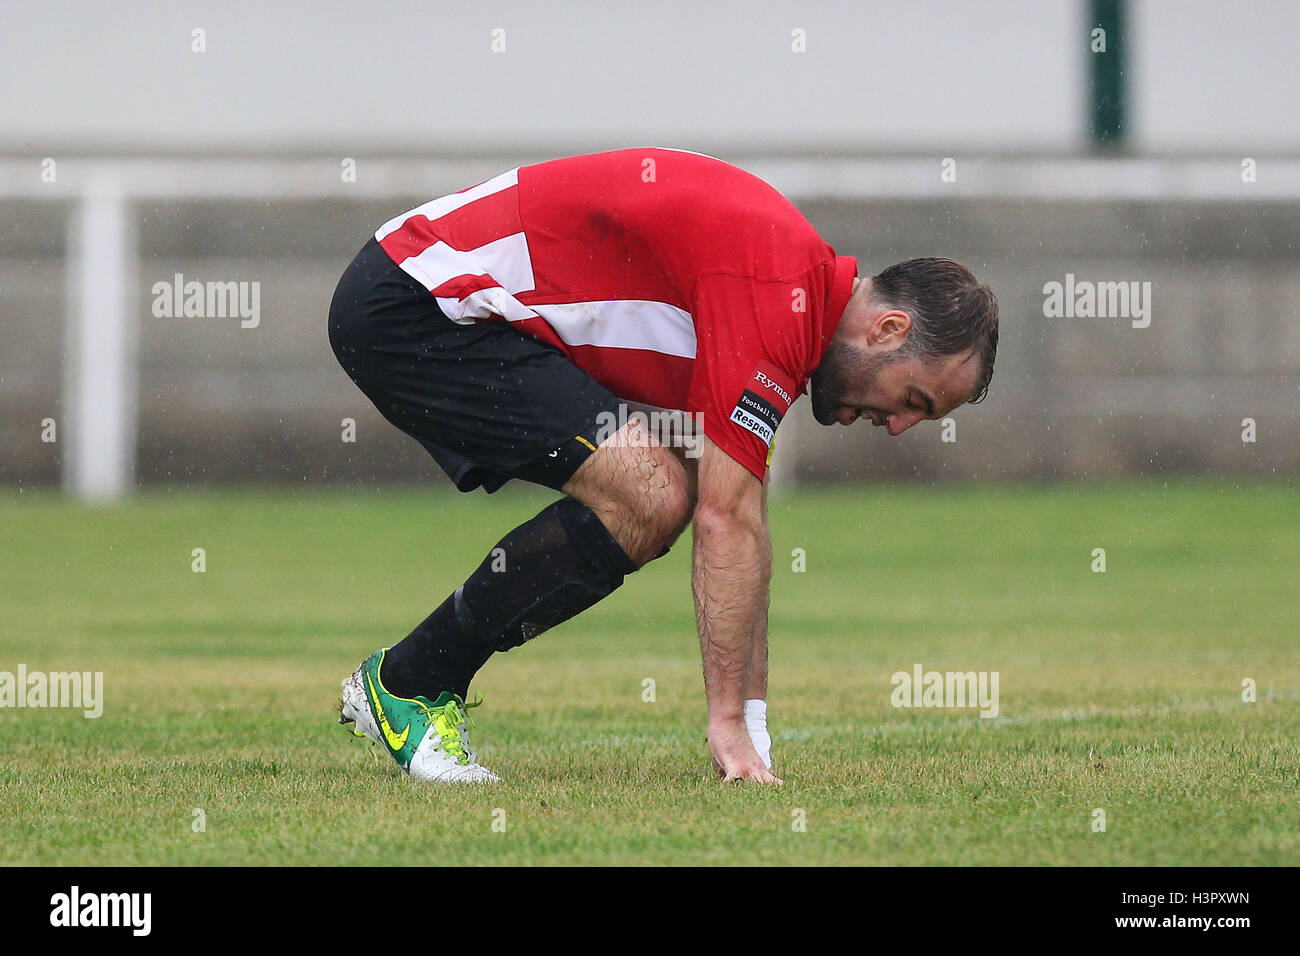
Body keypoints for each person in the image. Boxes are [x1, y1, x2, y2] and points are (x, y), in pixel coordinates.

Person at [327, 147, 998, 784]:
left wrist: (753, 730)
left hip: (433, 301)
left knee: (669, 490)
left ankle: (407, 680)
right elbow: (724, 522)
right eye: (913, 399)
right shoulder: (776, 289)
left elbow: (744, 521)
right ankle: (409, 684)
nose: (902, 425)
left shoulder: (794, 296)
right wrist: (726, 725)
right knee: (651, 496)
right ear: (887, 330)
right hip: (419, 306)